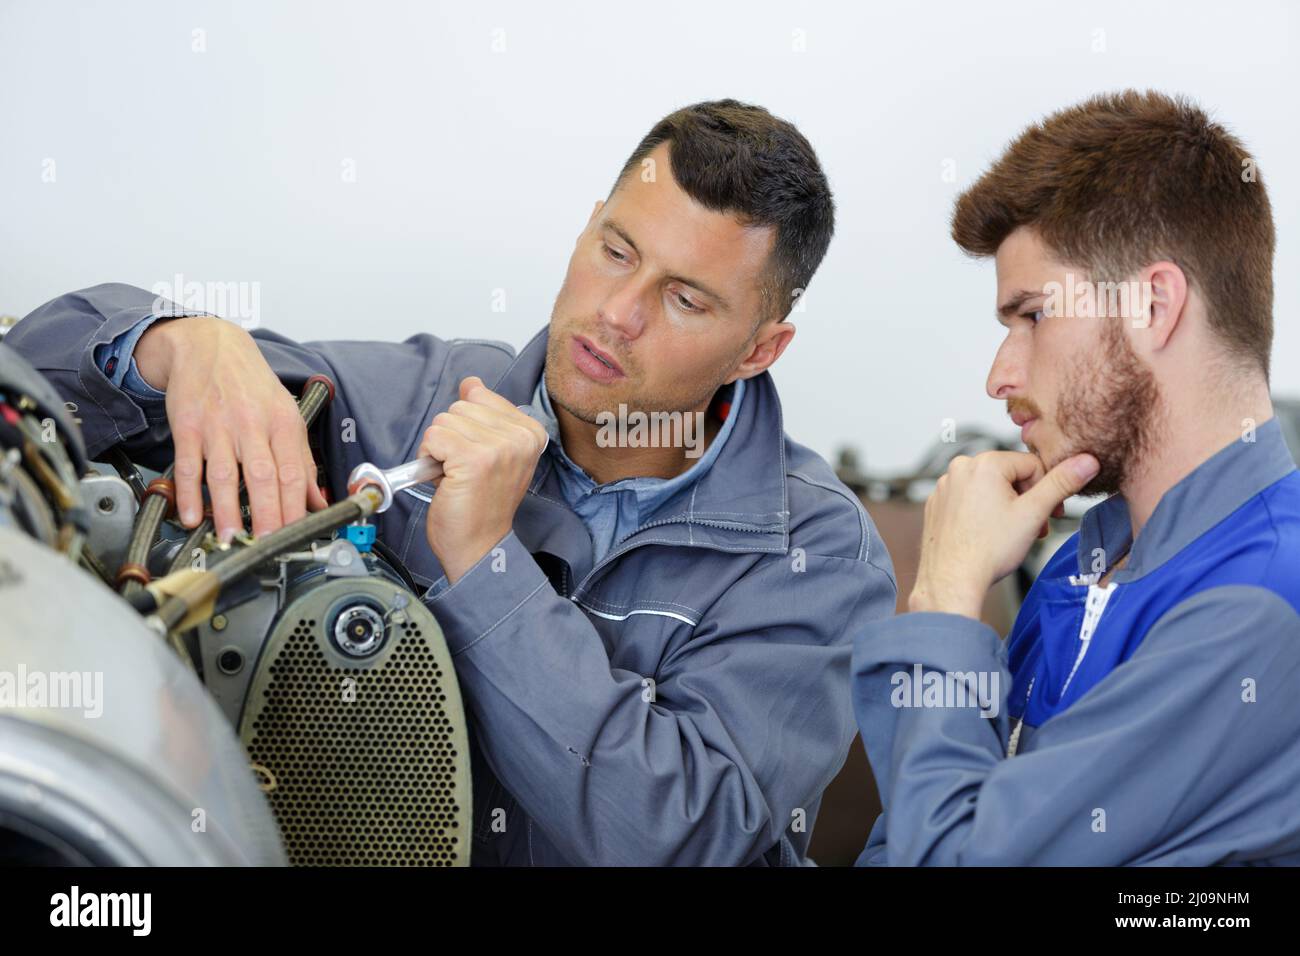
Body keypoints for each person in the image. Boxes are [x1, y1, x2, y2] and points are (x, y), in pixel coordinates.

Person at [8, 99, 897, 866]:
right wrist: (181, 341)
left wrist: (483, 564)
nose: (616, 314)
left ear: (759, 348)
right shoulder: (403, 404)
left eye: (685, 299)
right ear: (589, 224)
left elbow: (684, 837)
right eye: (617, 250)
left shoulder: (813, 552)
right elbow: (26, 377)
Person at [852, 90, 1300, 865]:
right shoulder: (1080, 564)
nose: (1000, 377)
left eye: (1031, 316)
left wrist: (949, 599)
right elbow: (905, 838)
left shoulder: (1260, 608)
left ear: (1154, 305)